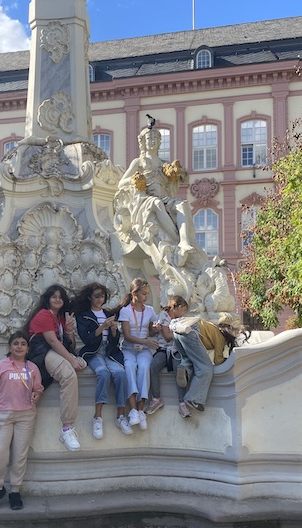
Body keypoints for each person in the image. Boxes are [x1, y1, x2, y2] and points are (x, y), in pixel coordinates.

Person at [114, 124, 197, 268]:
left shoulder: (164, 164)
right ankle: (175, 238)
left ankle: (183, 241)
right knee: (156, 204)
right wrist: (136, 179)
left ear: (159, 142)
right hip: (145, 199)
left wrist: (177, 174)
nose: (152, 140)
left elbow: (183, 180)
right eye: (148, 138)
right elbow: (122, 183)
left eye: (155, 138)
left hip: (164, 198)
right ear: (143, 142)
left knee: (182, 205)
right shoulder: (139, 162)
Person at [0, 331, 44, 511]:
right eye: (16, 343)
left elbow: (38, 389)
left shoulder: (32, 368)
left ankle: (15, 491)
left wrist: (37, 395)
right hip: (3, 415)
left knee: (19, 456)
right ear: (9, 347)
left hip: (26, 415)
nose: (19, 346)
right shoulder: (0, 366)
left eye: (23, 344)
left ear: (27, 348)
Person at [24, 284, 86, 452]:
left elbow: (69, 345)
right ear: (48, 300)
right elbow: (51, 341)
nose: (57, 299)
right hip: (42, 352)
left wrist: (70, 330)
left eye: (60, 297)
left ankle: (67, 429)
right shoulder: (44, 314)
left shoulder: (59, 319)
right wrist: (72, 361)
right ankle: (67, 428)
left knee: (75, 368)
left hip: (53, 351)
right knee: (69, 374)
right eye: (54, 297)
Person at [167, 296, 242, 417]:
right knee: (205, 368)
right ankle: (194, 398)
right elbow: (218, 360)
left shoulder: (212, 327)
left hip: (179, 333)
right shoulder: (220, 337)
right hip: (191, 331)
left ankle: (184, 369)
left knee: (189, 359)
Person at [73, 283, 130, 439]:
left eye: (102, 296)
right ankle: (97, 417)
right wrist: (102, 326)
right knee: (103, 373)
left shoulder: (107, 313)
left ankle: (121, 415)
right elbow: (88, 339)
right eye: (96, 296)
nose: (100, 299)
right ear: (90, 297)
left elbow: (114, 340)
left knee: (120, 374)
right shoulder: (83, 316)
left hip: (109, 351)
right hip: (93, 352)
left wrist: (112, 329)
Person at [117, 278, 159, 431]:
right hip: (128, 348)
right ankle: (133, 409)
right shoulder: (126, 311)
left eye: (147, 294)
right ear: (134, 293)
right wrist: (146, 341)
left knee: (144, 367)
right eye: (143, 294)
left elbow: (153, 328)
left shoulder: (150, 310)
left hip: (144, 351)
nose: (146, 297)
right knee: (129, 366)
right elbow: (127, 335)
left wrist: (155, 328)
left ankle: (141, 410)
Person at [146, 298, 186, 415]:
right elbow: (167, 336)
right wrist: (181, 330)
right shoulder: (164, 315)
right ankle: (156, 398)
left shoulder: (180, 319)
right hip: (164, 349)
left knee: (180, 370)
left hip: (177, 350)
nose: (183, 313)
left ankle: (182, 402)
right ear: (176, 308)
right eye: (182, 310)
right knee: (154, 366)